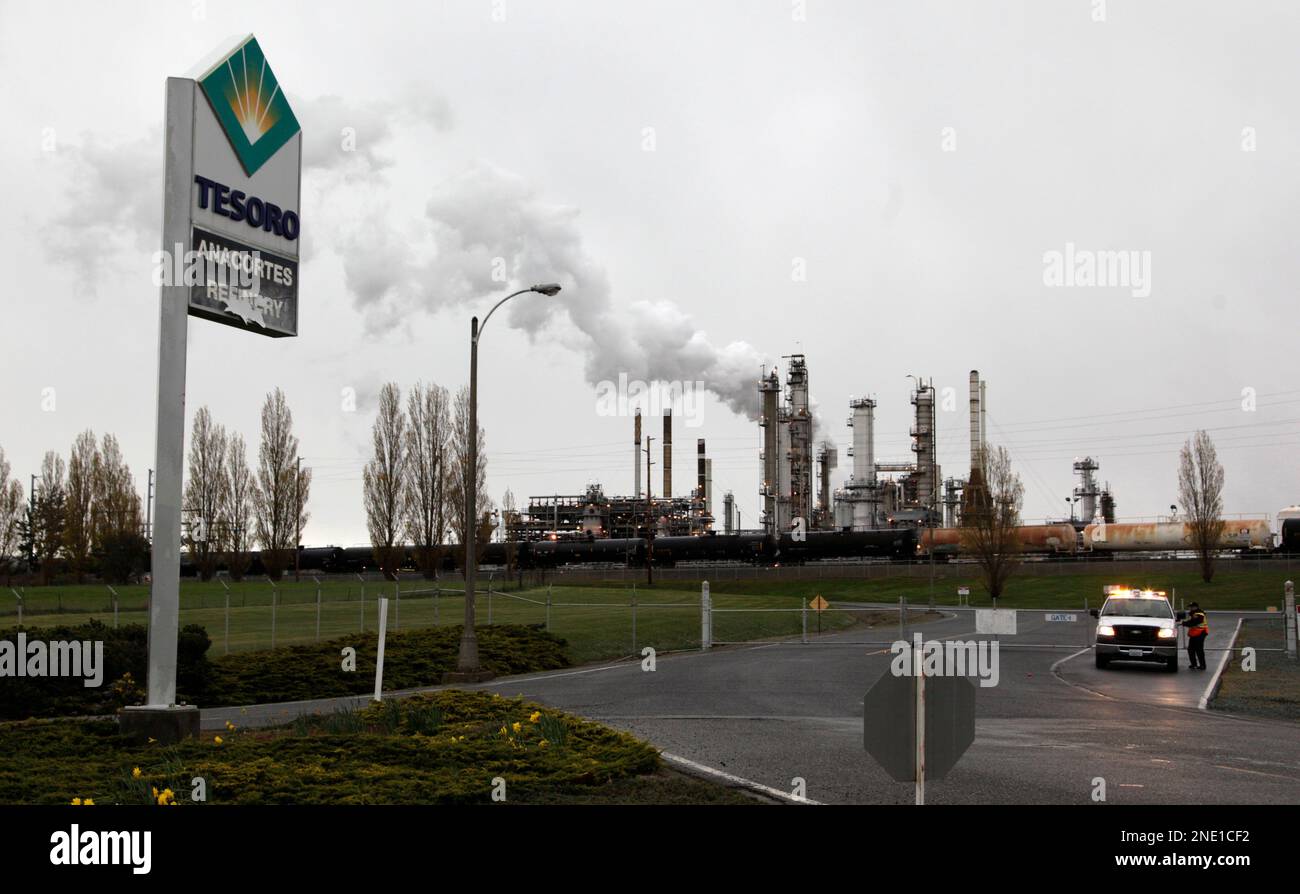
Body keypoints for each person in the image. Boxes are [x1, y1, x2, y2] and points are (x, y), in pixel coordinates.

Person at [1181, 601, 1209, 670]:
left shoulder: (1199, 614)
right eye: (1190, 607)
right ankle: (1194, 664)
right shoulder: (1193, 614)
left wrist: (1184, 623)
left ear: (1195, 607)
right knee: (1191, 649)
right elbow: (1191, 622)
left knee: (1199, 650)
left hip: (1200, 633)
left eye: (1191, 607)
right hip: (1194, 634)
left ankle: (1202, 665)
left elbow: (1194, 622)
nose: (1190, 608)